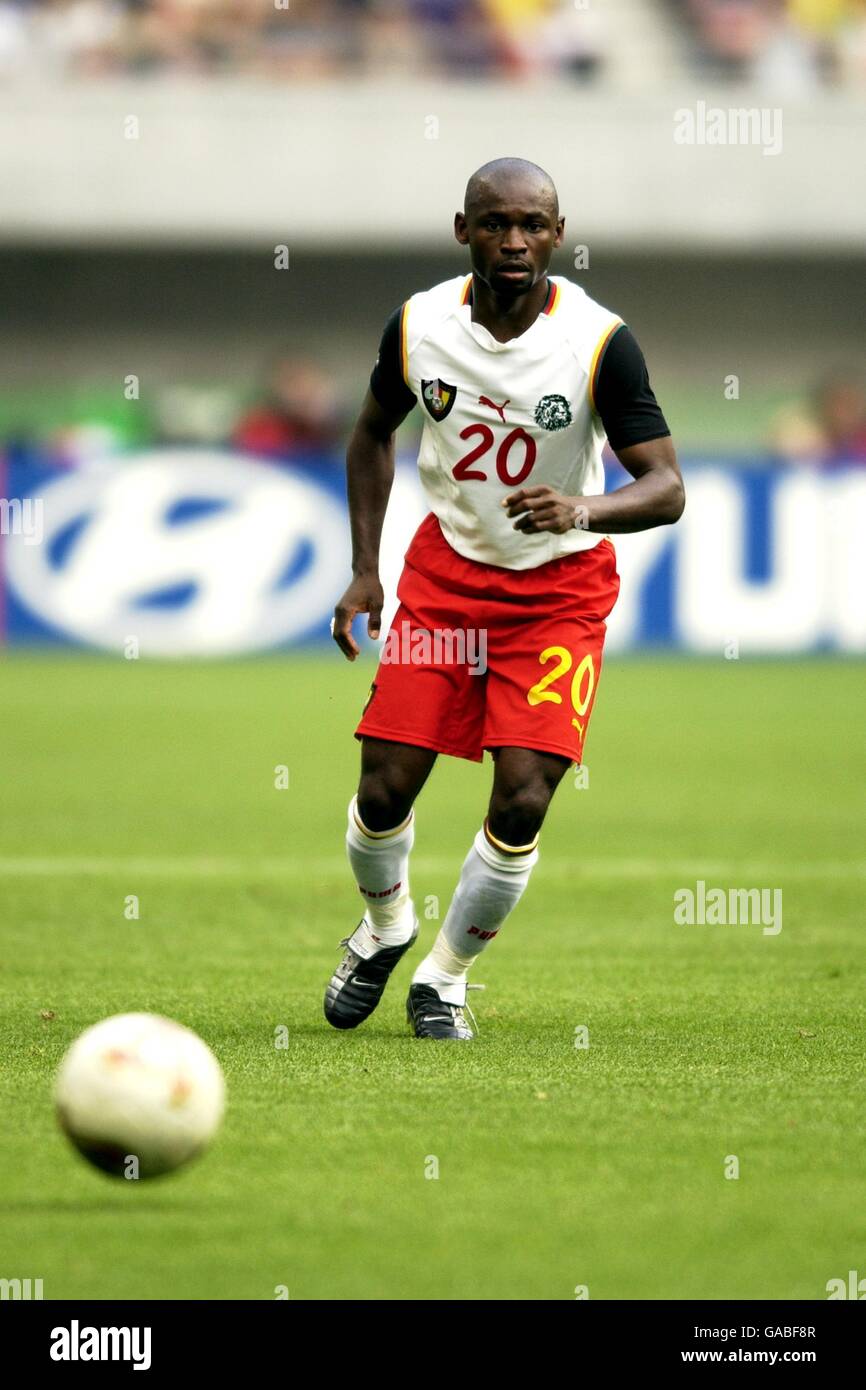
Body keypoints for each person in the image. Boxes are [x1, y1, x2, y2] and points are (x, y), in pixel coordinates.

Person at [324, 157, 684, 1042]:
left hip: (558, 592)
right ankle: (384, 927)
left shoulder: (600, 343)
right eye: (495, 224)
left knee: (523, 797)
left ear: (559, 235)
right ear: (463, 231)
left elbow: (667, 486)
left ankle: (444, 979)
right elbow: (372, 433)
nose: (514, 241)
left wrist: (585, 506)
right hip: (446, 583)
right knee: (382, 790)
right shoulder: (419, 327)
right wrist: (366, 568)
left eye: (532, 225)